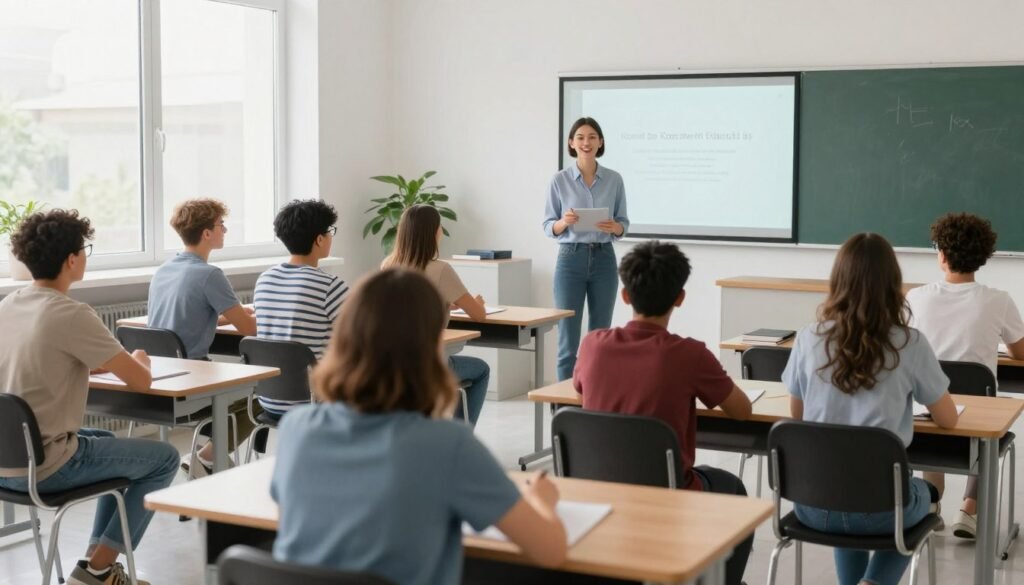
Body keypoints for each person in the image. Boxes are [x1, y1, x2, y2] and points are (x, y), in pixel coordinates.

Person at [271, 269, 567, 585]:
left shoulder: (296, 429)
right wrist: (541, 501)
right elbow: (551, 550)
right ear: (431, 348)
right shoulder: (448, 444)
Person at [0, 209, 179, 585]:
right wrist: (140, 357)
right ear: (71, 259)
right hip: (49, 465)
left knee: (109, 442)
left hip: (8, 464)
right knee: (165, 459)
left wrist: (87, 365)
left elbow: (36, 363)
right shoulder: (71, 313)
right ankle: (97, 570)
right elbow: (141, 381)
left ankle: (97, 566)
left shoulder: (9, 305)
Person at [782, 233, 959, 585]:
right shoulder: (910, 343)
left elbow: (796, 417)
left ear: (838, 281)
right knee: (924, 498)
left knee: (847, 487)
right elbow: (949, 420)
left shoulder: (807, 338)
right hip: (882, 510)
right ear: (893, 285)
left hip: (813, 504)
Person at [573, 240, 753, 585]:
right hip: (667, 494)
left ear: (624, 295)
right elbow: (742, 411)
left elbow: (580, 390)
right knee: (734, 490)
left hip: (597, 491)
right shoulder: (689, 355)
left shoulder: (592, 344)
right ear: (680, 298)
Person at [906, 212, 1024, 539]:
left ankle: (931, 503)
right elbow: (1020, 354)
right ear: (983, 257)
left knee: (933, 395)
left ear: (942, 255)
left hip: (925, 421)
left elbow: (904, 350)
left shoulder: (916, 298)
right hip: (975, 423)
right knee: (986, 414)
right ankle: (969, 510)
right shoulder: (999, 301)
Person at [148, 198, 258, 474]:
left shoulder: (164, 270)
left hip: (159, 376)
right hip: (191, 378)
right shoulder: (210, 275)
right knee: (259, 394)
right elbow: (248, 329)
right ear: (207, 233)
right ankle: (207, 457)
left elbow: (191, 312)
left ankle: (209, 458)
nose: (225, 230)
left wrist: (224, 314)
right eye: (221, 225)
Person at [381, 204, 490, 426]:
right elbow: (478, 315)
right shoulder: (441, 270)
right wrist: (477, 303)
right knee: (481, 370)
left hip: (393, 363)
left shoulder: (388, 265)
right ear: (433, 232)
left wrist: (443, 304)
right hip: (429, 364)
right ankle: (461, 438)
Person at [543, 116, 629, 381]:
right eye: (580, 137)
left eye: (592, 137)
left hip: (604, 258)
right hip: (570, 260)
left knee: (600, 339)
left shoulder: (614, 179)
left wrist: (614, 227)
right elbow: (548, 226)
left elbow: (623, 223)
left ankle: (596, 402)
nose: (586, 142)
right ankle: (562, 408)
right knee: (567, 341)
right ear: (571, 143)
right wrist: (563, 222)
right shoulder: (559, 180)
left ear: (600, 142)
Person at [253, 199, 348, 417]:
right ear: (319, 239)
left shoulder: (265, 279)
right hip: (315, 400)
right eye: (330, 231)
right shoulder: (330, 286)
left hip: (267, 399)